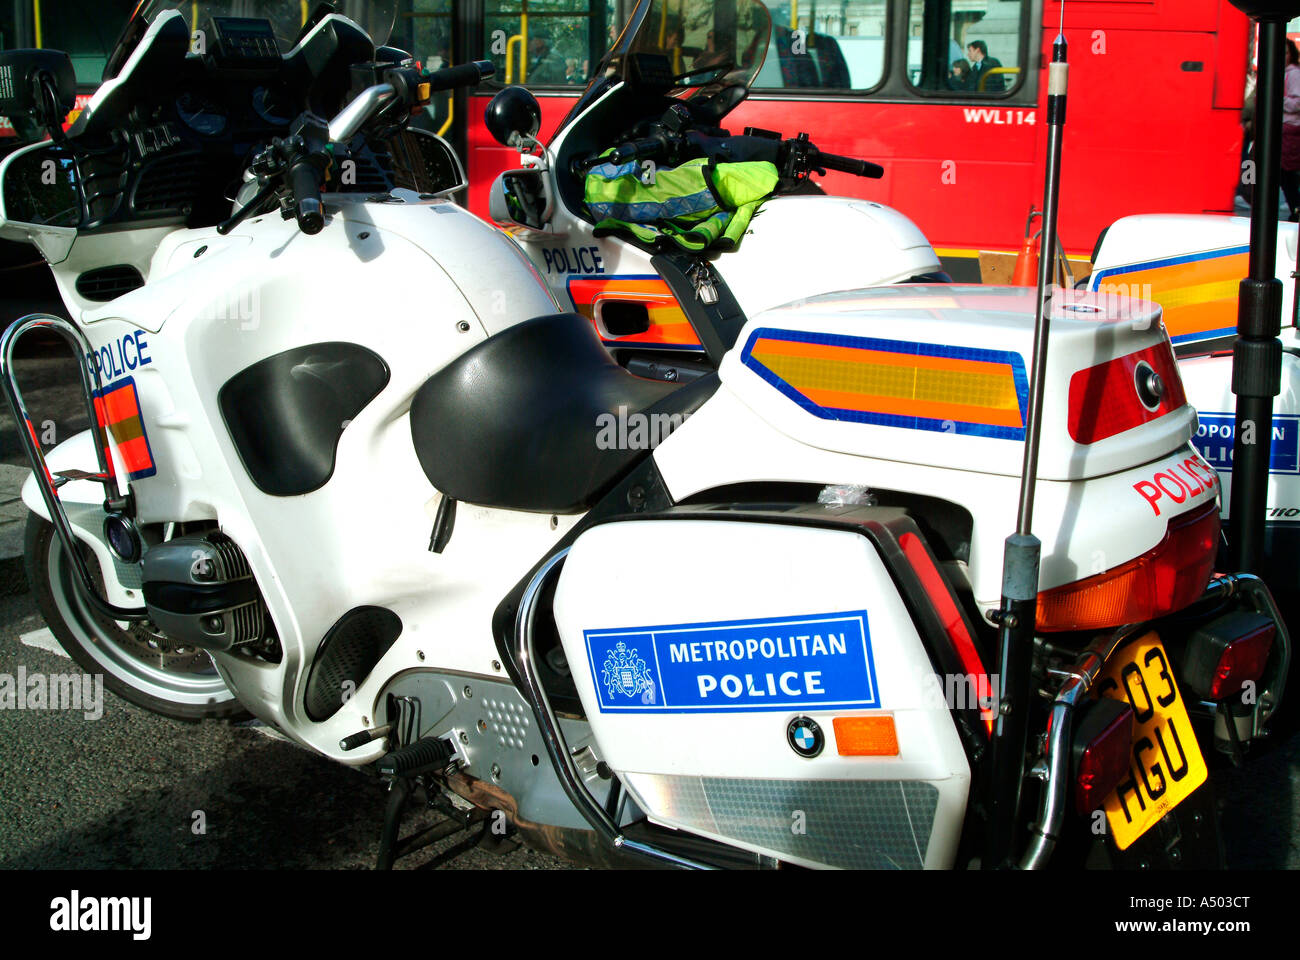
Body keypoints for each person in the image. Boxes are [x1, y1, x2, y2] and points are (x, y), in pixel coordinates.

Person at [1282, 40, 1300, 221]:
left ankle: (1296, 207)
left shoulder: (1294, 74)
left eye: (1286, 53)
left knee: (1287, 173)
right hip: (1284, 129)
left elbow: (1297, 103)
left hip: (1290, 129)